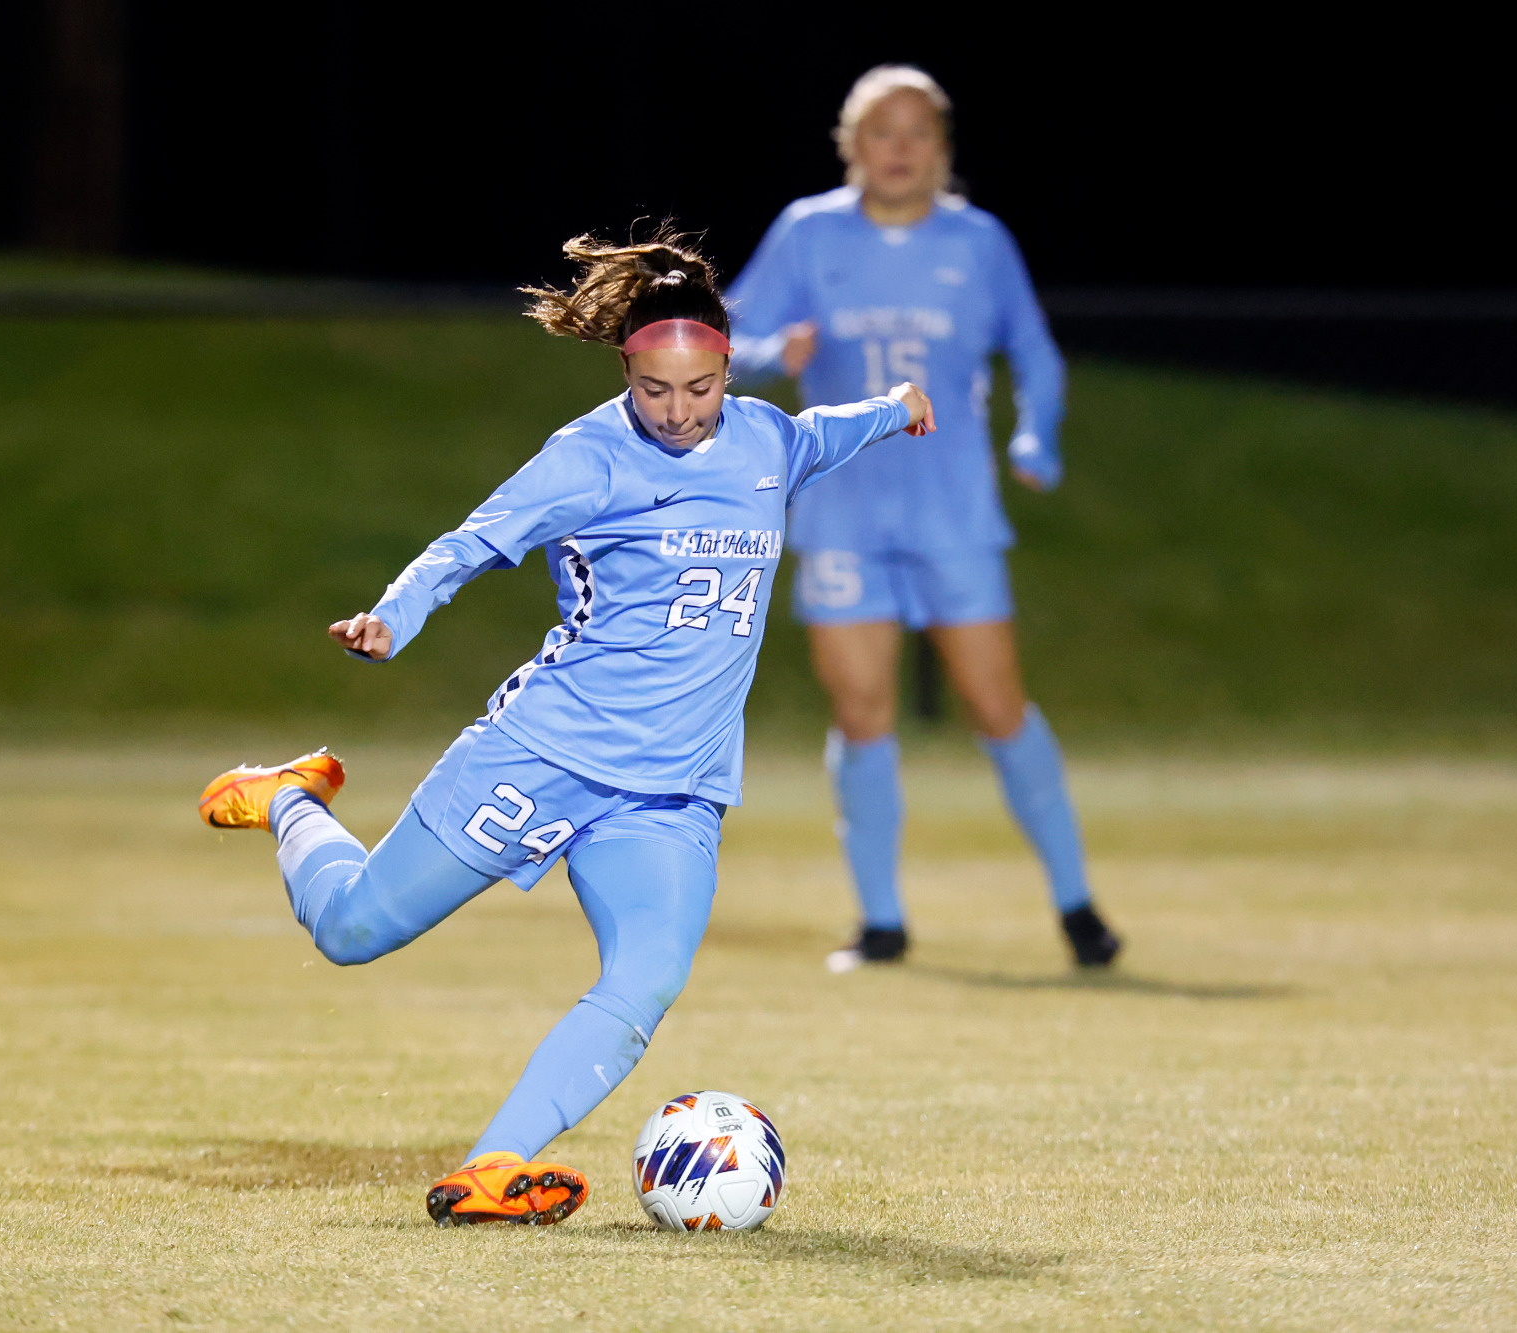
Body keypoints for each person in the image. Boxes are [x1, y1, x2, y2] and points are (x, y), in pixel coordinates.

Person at [197, 231, 931, 1226]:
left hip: (671, 792)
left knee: (646, 977)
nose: (679, 409)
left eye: (701, 387)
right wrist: (392, 618)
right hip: (544, 751)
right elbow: (469, 543)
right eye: (655, 388)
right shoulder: (586, 457)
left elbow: (828, 430)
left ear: (727, 367)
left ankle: (492, 1167)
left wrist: (899, 407)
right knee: (352, 930)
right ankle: (288, 798)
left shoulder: (766, 440)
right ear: (625, 365)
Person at [725, 64, 1122, 972]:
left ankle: (1077, 906)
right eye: (880, 130)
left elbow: (1034, 352)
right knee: (860, 710)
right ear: (851, 145)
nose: (898, 149)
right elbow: (723, 343)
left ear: (941, 148)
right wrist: (772, 349)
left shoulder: (978, 242)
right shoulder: (808, 232)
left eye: (916, 132)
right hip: (842, 511)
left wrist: (1036, 435)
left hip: (953, 513)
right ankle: (882, 922)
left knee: (996, 704)